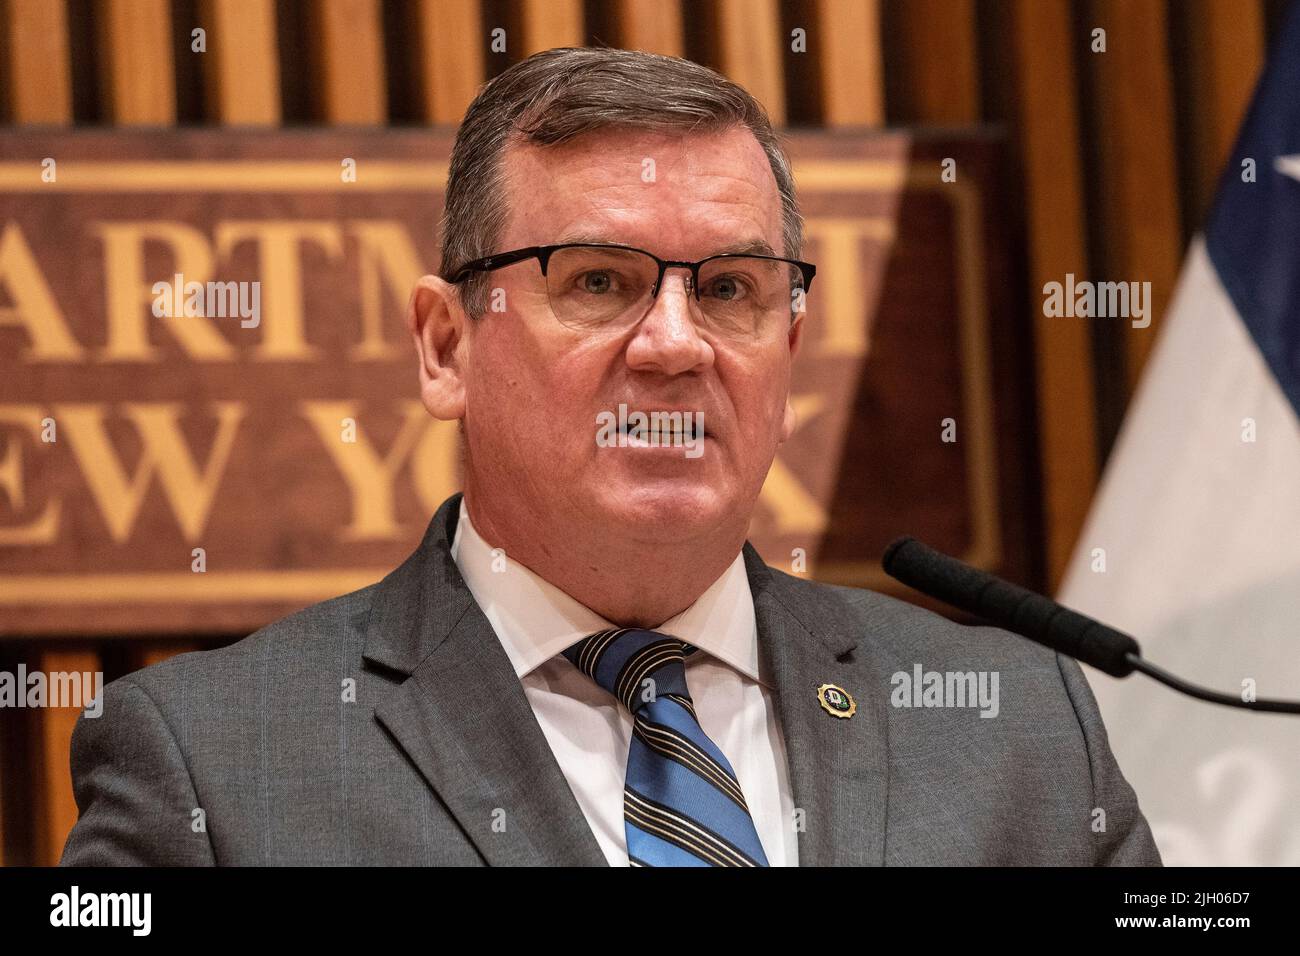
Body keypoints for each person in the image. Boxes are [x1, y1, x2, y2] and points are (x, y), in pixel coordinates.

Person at [61, 46, 1160, 866]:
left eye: (728, 287)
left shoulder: (1013, 727)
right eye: (596, 280)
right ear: (446, 347)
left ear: (787, 349)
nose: (675, 345)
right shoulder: (213, 765)